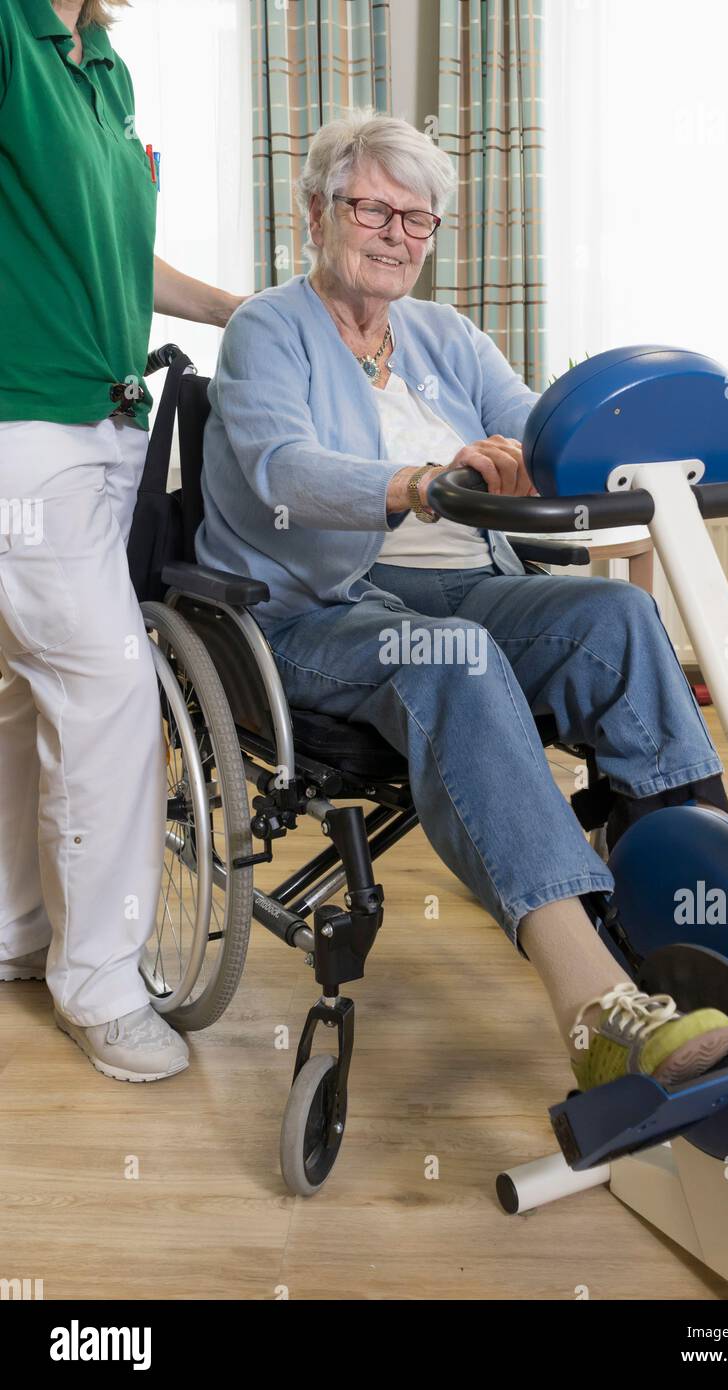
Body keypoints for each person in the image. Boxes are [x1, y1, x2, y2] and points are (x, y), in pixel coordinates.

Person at [197, 107, 728, 1093]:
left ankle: (705, 918)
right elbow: (283, 472)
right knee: (454, 656)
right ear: (317, 210)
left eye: (418, 220)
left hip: (466, 585)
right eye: (373, 210)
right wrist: (418, 478)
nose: (396, 236)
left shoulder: (443, 334)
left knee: (611, 621)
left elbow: (539, 428)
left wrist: (615, 444)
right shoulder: (266, 331)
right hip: (305, 607)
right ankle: (593, 1007)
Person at [0, 0, 248, 1082]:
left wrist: (250, 309)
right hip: (21, 424)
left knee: (32, 683)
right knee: (103, 680)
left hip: (109, 419)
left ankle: (17, 928)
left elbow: (124, 261)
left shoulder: (101, 67)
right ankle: (99, 982)